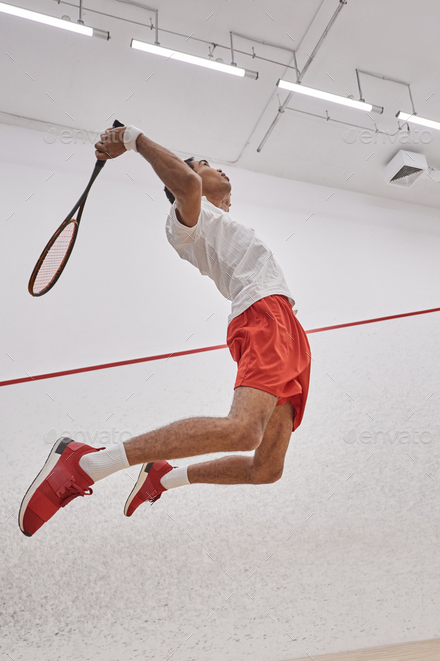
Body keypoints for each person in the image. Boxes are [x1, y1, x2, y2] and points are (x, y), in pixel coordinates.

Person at [18, 124, 311, 537]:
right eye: (207, 164)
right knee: (243, 430)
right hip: (264, 317)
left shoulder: (219, 221)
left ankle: (162, 477)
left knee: (267, 468)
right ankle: (87, 463)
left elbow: (192, 181)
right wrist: (132, 139)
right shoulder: (185, 221)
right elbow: (187, 184)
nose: (222, 172)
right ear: (182, 182)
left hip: (289, 329)